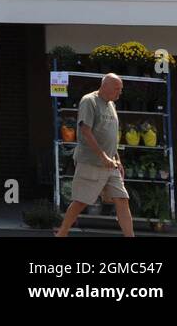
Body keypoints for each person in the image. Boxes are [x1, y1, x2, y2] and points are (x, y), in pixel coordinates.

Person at [56, 73, 134, 237]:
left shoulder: (111, 104)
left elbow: (110, 136)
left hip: (110, 164)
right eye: (116, 89)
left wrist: (116, 159)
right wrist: (103, 156)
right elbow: (85, 131)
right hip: (91, 161)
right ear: (105, 86)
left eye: (121, 89)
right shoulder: (89, 101)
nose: (119, 93)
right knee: (81, 202)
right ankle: (62, 233)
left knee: (122, 199)